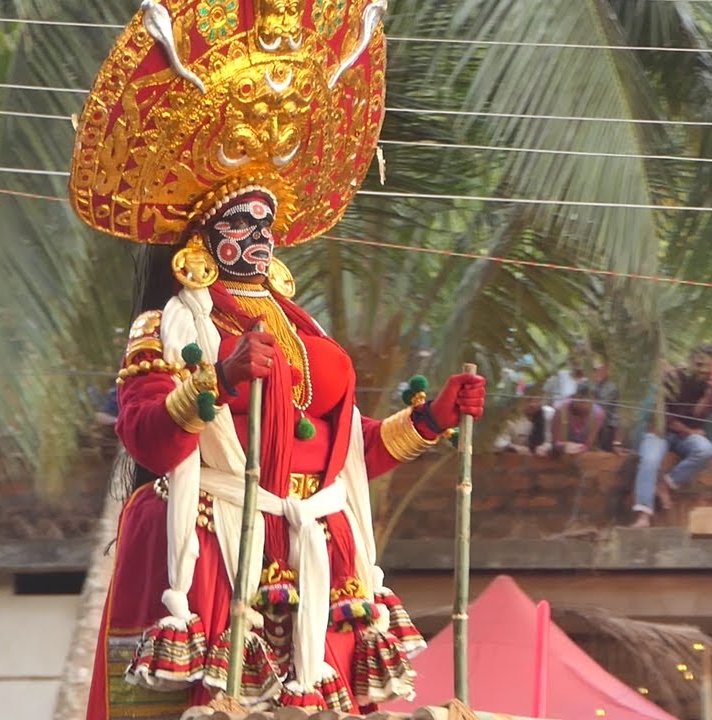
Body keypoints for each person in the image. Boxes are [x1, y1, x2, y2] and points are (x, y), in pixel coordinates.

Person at [71, 5, 486, 714]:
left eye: (266, 222)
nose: (259, 236)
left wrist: (432, 419)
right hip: (213, 544)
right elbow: (144, 434)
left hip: (316, 546)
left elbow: (343, 449)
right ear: (203, 242)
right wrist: (219, 380)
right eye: (240, 222)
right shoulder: (167, 323)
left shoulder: (300, 323)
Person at [631, 347, 712, 528]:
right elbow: (663, 416)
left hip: (682, 435)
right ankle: (643, 515)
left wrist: (709, 395)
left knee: (706, 450)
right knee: (650, 460)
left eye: (707, 366)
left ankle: (666, 483)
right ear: (691, 360)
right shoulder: (673, 377)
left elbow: (697, 415)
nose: (702, 369)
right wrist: (689, 431)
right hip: (659, 431)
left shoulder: (707, 385)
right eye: (699, 364)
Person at [494, 386, 554, 456]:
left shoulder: (548, 414)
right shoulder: (511, 418)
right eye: (529, 400)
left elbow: (552, 440)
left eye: (537, 401)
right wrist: (514, 447)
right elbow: (498, 442)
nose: (533, 404)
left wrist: (546, 447)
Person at [550, 383, 606, 455]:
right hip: (561, 452)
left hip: (582, 453)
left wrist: (582, 449)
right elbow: (555, 442)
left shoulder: (598, 414)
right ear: (573, 398)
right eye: (581, 399)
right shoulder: (560, 410)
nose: (584, 404)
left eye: (588, 400)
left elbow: (589, 444)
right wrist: (563, 447)